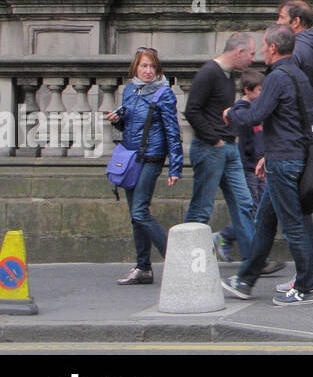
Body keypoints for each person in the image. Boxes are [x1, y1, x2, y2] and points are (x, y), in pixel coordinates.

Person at [220, 25, 313, 307]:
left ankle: (306, 287)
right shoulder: (298, 74)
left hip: (284, 162)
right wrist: (269, 155)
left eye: (264, 46)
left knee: (293, 226)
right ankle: (245, 280)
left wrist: (233, 111)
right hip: (285, 157)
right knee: (264, 221)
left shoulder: (277, 77)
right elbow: (296, 122)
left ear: (274, 48)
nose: (262, 51)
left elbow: (256, 115)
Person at [182, 32, 267, 272]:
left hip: (229, 149)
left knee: (244, 202)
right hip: (211, 148)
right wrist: (215, 139)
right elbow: (192, 111)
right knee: (202, 206)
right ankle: (186, 259)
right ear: (238, 52)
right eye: (251, 54)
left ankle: (254, 260)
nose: (252, 60)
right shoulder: (209, 73)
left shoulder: (228, 77)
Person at [107, 48, 184, 285]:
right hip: (131, 158)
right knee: (135, 216)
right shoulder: (130, 90)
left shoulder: (164, 94)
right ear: (136, 68)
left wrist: (175, 167)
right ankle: (143, 268)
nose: (148, 71)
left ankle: (178, 263)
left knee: (140, 211)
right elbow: (128, 126)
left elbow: (173, 132)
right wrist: (118, 121)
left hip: (152, 157)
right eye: (143, 66)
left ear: (157, 69)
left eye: (152, 66)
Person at [276, 0, 313, 284]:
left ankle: (309, 271)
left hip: (301, 132)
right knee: (286, 202)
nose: (277, 23)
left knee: (290, 203)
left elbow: (288, 91)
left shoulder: (299, 50)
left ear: (295, 22)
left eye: (280, 18)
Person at [217, 69, 267, 263]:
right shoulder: (242, 109)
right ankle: (225, 236)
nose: (263, 94)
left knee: (260, 210)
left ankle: (254, 252)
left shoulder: (256, 109)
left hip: (259, 165)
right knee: (252, 209)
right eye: (260, 90)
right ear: (248, 90)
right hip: (248, 166)